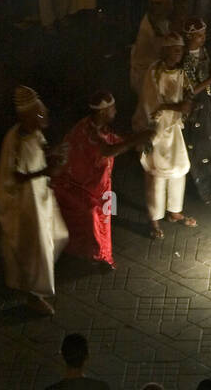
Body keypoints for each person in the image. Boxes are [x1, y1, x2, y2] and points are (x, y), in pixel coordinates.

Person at [0, 87, 69, 316]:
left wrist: (54, 155)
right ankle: (34, 295)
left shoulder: (34, 133)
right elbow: (16, 176)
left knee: (58, 236)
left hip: (40, 197)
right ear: (25, 116)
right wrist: (46, 170)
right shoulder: (14, 141)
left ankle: (29, 280)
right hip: (25, 204)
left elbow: (42, 148)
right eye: (38, 114)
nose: (43, 116)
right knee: (38, 248)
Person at [52, 94, 145, 268]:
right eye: (112, 108)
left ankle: (102, 255)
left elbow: (114, 142)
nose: (116, 111)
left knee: (105, 220)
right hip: (82, 188)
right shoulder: (87, 131)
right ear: (103, 112)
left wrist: (136, 138)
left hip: (102, 185)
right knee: (93, 223)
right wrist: (137, 139)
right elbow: (108, 150)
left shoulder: (98, 126)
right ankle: (96, 257)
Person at [133, 34, 197, 239]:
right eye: (175, 49)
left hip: (174, 127)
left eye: (181, 50)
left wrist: (187, 100)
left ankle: (175, 211)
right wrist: (177, 106)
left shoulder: (181, 70)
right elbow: (153, 105)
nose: (179, 53)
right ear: (165, 50)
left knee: (179, 168)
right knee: (157, 173)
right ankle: (154, 218)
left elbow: (189, 90)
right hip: (157, 129)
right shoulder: (155, 71)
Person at [181, 18, 211, 206]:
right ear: (190, 37)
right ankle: (205, 189)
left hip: (208, 102)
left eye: (204, 34)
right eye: (199, 35)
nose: (203, 38)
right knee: (200, 145)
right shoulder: (185, 59)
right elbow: (189, 89)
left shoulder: (203, 52)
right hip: (196, 106)